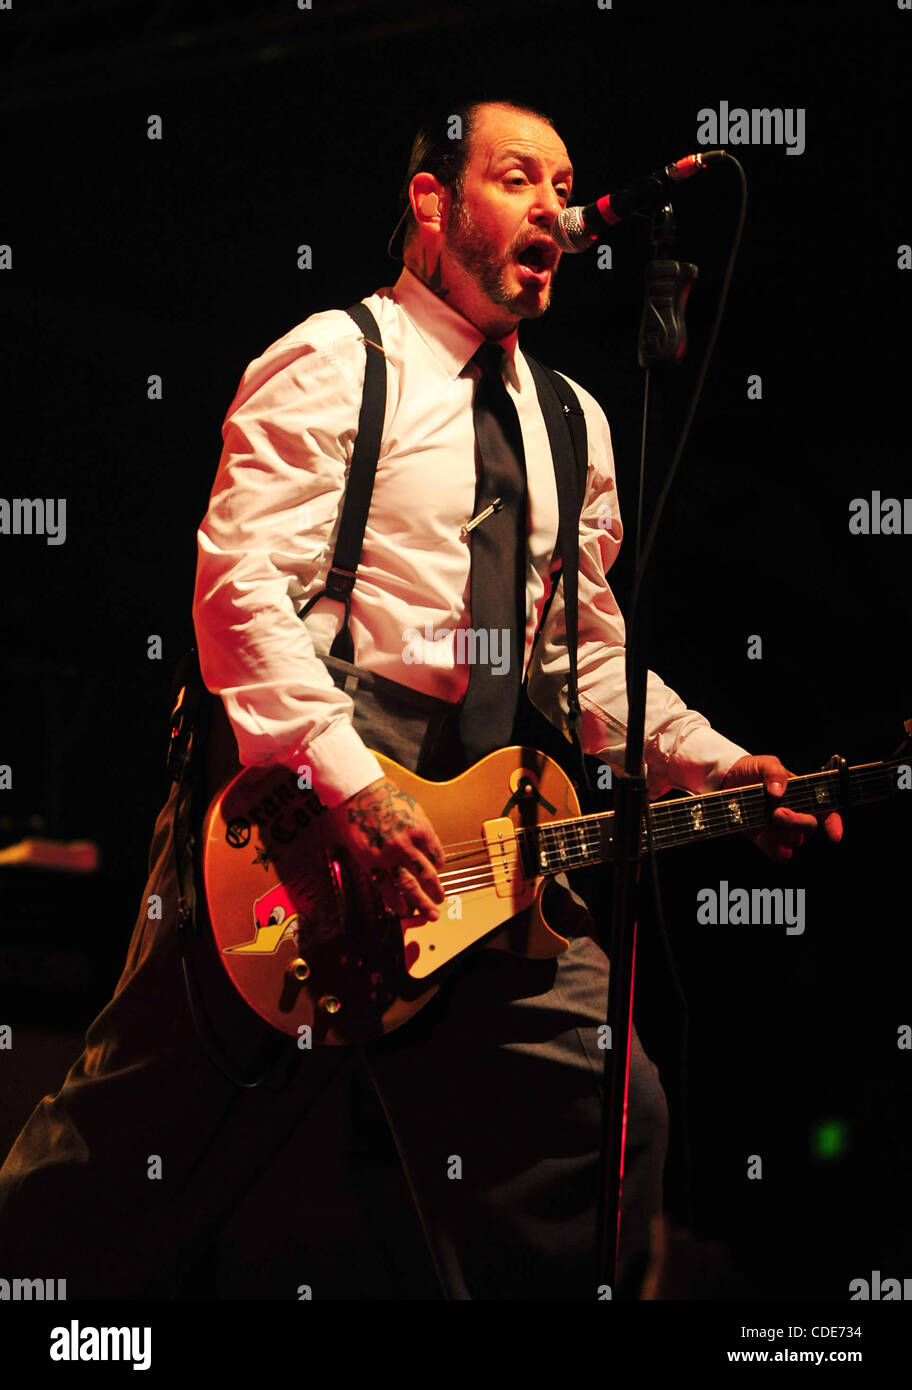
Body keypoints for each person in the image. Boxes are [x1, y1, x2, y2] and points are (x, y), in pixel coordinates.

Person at [0, 99, 841, 1301]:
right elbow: (239, 593)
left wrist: (715, 762)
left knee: (605, 1113)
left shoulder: (574, 422)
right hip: (297, 809)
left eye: (564, 183)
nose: (554, 204)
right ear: (432, 205)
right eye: (518, 178)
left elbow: (581, 657)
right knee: (121, 1169)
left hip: (485, 846)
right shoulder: (335, 359)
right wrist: (344, 783)